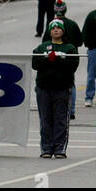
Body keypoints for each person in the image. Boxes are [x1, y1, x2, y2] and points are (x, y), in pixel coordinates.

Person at [33, 18, 80, 159]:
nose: (56, 30)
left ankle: (60, 148)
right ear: (49, 31)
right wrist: (47, 59)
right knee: (45, 119)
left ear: (62, 31)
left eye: (58, 28)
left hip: (62, 88)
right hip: (44, 88)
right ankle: (46, 148)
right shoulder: (42, 47)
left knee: (60, 119)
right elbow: (35, 63)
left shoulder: (69, 48)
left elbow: (73, 66)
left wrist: (58, 60)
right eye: (53, 28)